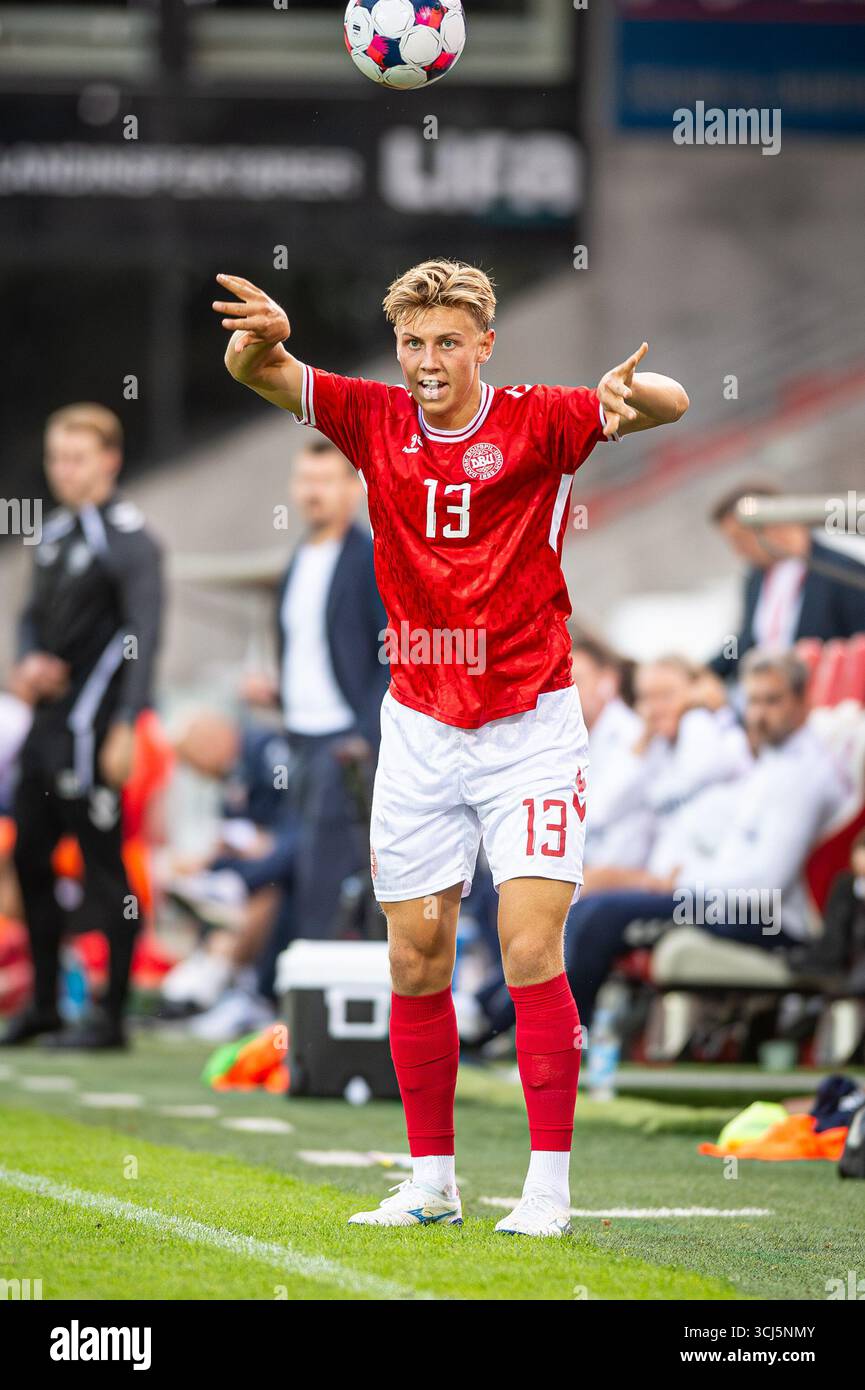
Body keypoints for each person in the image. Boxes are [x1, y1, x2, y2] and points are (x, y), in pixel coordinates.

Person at [213, 259, 689, 1236]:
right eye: (413, 343)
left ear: (484, 344)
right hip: (421, 728)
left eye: (446, 342)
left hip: (529, 726)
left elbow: (671, 402)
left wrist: (631, 395)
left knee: (526, 947)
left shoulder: (544, 418)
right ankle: (432, 1180)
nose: (428, 361)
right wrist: (257, 339)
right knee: (416, 957)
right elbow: (259, 371)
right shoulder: (371, 417)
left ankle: (547, 1189)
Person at [563, 650, 850, 1027]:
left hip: (765, 917)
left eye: (773, 700)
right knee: (592, 910)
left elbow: (765, 884)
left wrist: (677, 885)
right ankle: (553, 1037)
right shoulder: (772, 761)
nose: (760, 713)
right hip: (726, 901)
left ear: (803, 702)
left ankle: (564, 1047)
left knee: (602, 916)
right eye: (754, 701)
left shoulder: (804, 775)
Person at [2, 403, 163, 1050]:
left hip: (94, 734)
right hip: (45, 732)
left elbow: (145, 637)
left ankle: (112, 1014)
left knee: (104, 871)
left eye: (76, 458)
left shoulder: (129, 540)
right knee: (29, 860)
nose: (63, 470)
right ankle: (44, 1004)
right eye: (55, 458)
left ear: (110, 461)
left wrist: (128, 723)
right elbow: (31, 619)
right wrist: (25, 665)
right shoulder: (53, 533)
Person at [707, 483, 865, 678]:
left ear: (772, 523)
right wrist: (704, 672)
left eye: (740, 539)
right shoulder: (754, 579)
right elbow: (742, 642)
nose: (737, 551)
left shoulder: (841, 571)